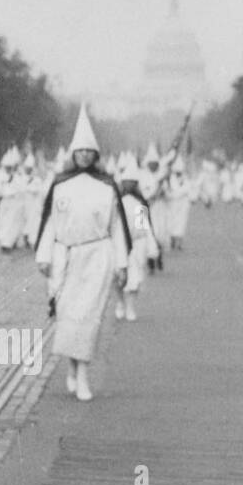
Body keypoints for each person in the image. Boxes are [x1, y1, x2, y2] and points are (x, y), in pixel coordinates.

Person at [35, 104, 129, 402]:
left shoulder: (110, 188)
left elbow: (119, 226)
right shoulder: (61, 185)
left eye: (90, 151)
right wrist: (43, 255)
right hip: (66, 256)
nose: (85, 156)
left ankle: (84, 373)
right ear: (73, 154)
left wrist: (125, 261)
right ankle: (73, 367)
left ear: (96, 155)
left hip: (99, 255)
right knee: (68, 315)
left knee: (89, 317)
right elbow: (50, 221)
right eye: (81, 151)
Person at [114, 154, 159, 322]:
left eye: (132, 182)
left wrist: (152, 246)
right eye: (126, 182)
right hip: (120, 245)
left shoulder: (139, 203)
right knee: (119, 276)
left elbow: (144, 227)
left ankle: (130, 307)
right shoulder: (116, 202)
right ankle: (120, 302)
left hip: (137, 244)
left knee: (136, 277)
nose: (129, 185)